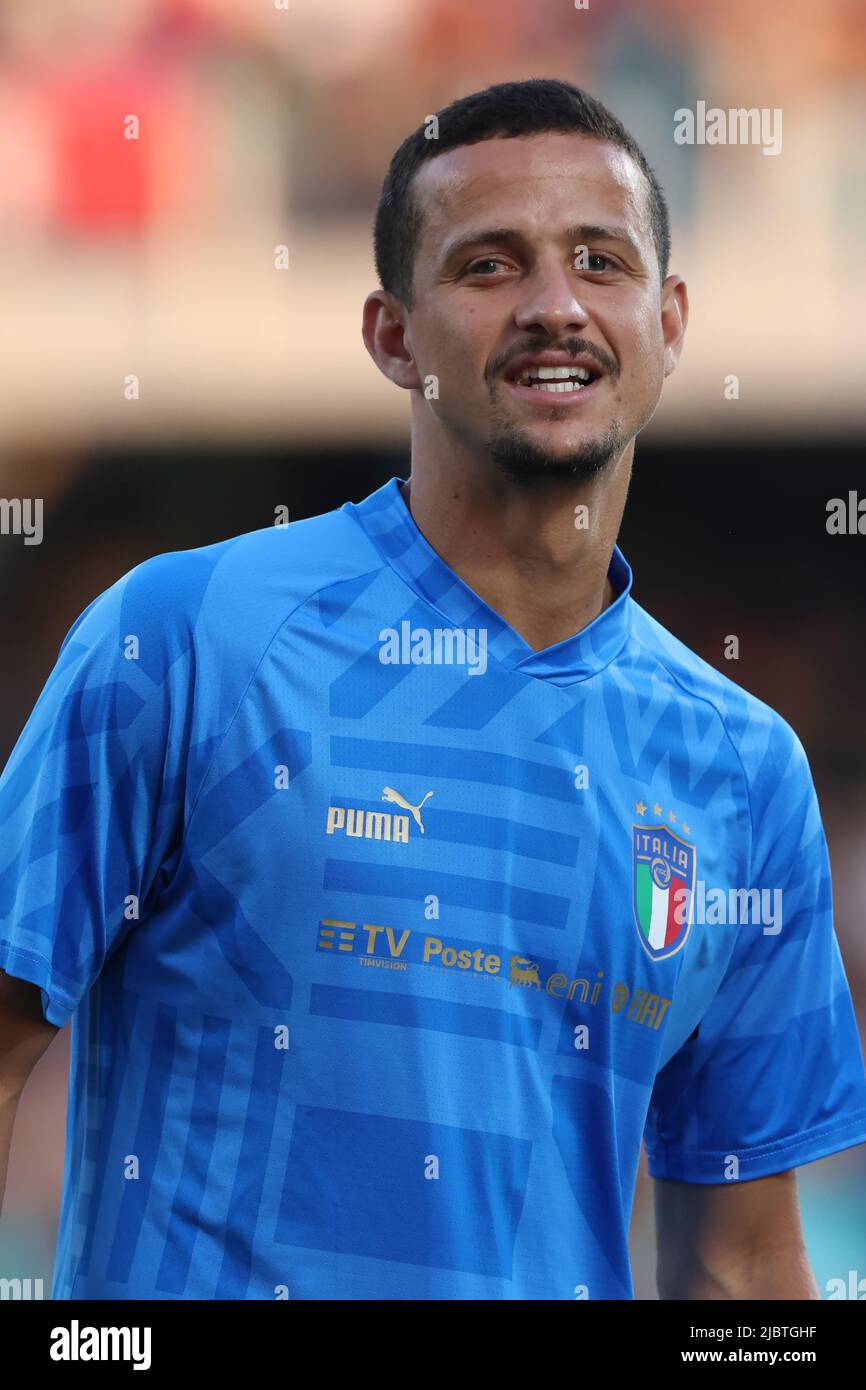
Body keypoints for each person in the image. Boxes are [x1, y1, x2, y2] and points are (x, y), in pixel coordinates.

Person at [1, 78, 865, 1301]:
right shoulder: (184, 639)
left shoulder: (741, 769)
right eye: (489, 267)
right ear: (391, 335)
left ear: (668, 323)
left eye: (599, 261)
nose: (554, 306)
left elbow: (735, 1268)